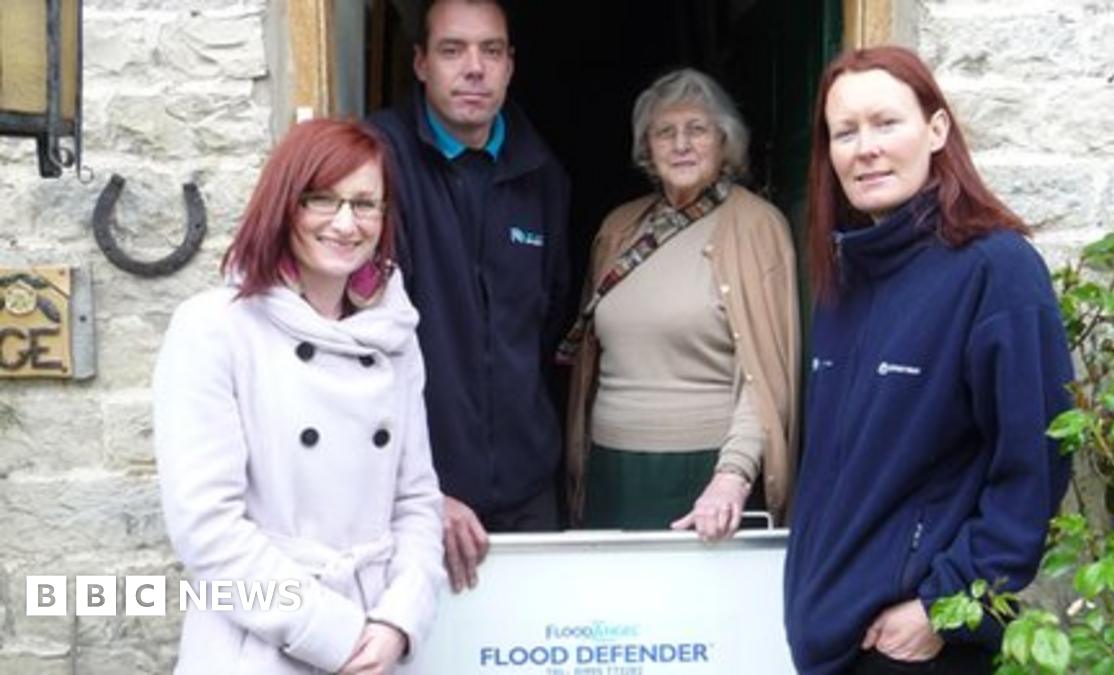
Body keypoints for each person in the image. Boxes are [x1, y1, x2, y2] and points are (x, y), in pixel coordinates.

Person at [782, 45, 1074, 674]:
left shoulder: (997, 270)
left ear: (936, 130)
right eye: (845, 132)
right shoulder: (843, 279)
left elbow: (1034, 466)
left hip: (915, 647)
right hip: (832, 642)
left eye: (886, 123)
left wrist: (945, 606)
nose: (866, 148)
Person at [153, 119, 444, 674]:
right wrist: (330, 632)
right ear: (284, 205)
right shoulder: (214, 328)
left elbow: (416, 502)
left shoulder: (396, 335)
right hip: (260, 643)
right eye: (322, 199)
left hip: (377, 642)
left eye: (365, 204)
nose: (345, 223)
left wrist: (399, 620)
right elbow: (206, 529)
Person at [369, 0, 571, 594]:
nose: (474, 68)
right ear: (421, 64)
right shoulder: (378, 161)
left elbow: (548, 319)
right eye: (452, 50)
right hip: (414, 495)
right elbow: (356, 347)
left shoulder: (543, 175)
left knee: (533, 633)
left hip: (529, 485)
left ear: (510, 65)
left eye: (491, 50)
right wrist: (419, 489)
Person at [562, 68, 799, 540]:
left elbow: (768, 373)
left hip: (706, 476)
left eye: (697, 129)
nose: (681, 144)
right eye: (665, 132)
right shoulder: (618, 228)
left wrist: (733, 473)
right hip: (613, 469)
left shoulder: (756, 227)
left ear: (724, 142)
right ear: (646, 147)